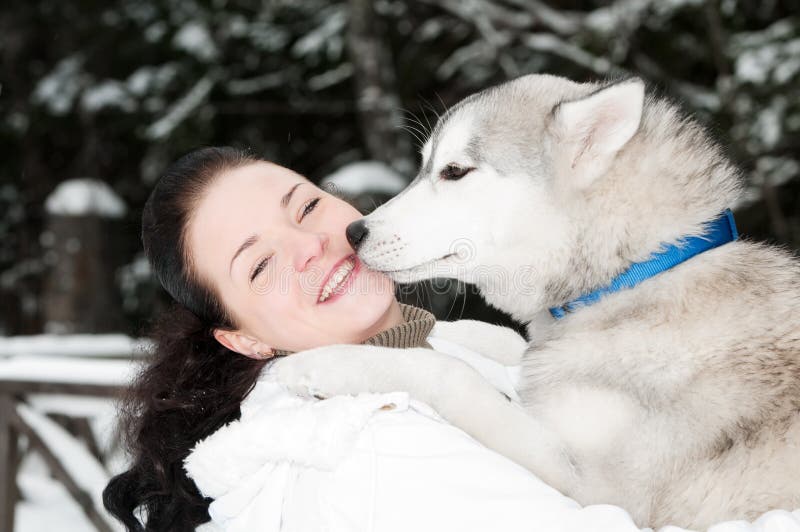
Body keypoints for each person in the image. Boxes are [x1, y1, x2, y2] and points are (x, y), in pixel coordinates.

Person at [103, 146, 800, 532]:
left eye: (307, 205)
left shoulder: (448, 344)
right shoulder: (370, 445)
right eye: (259, 265)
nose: (312, 244)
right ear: (244, 339)